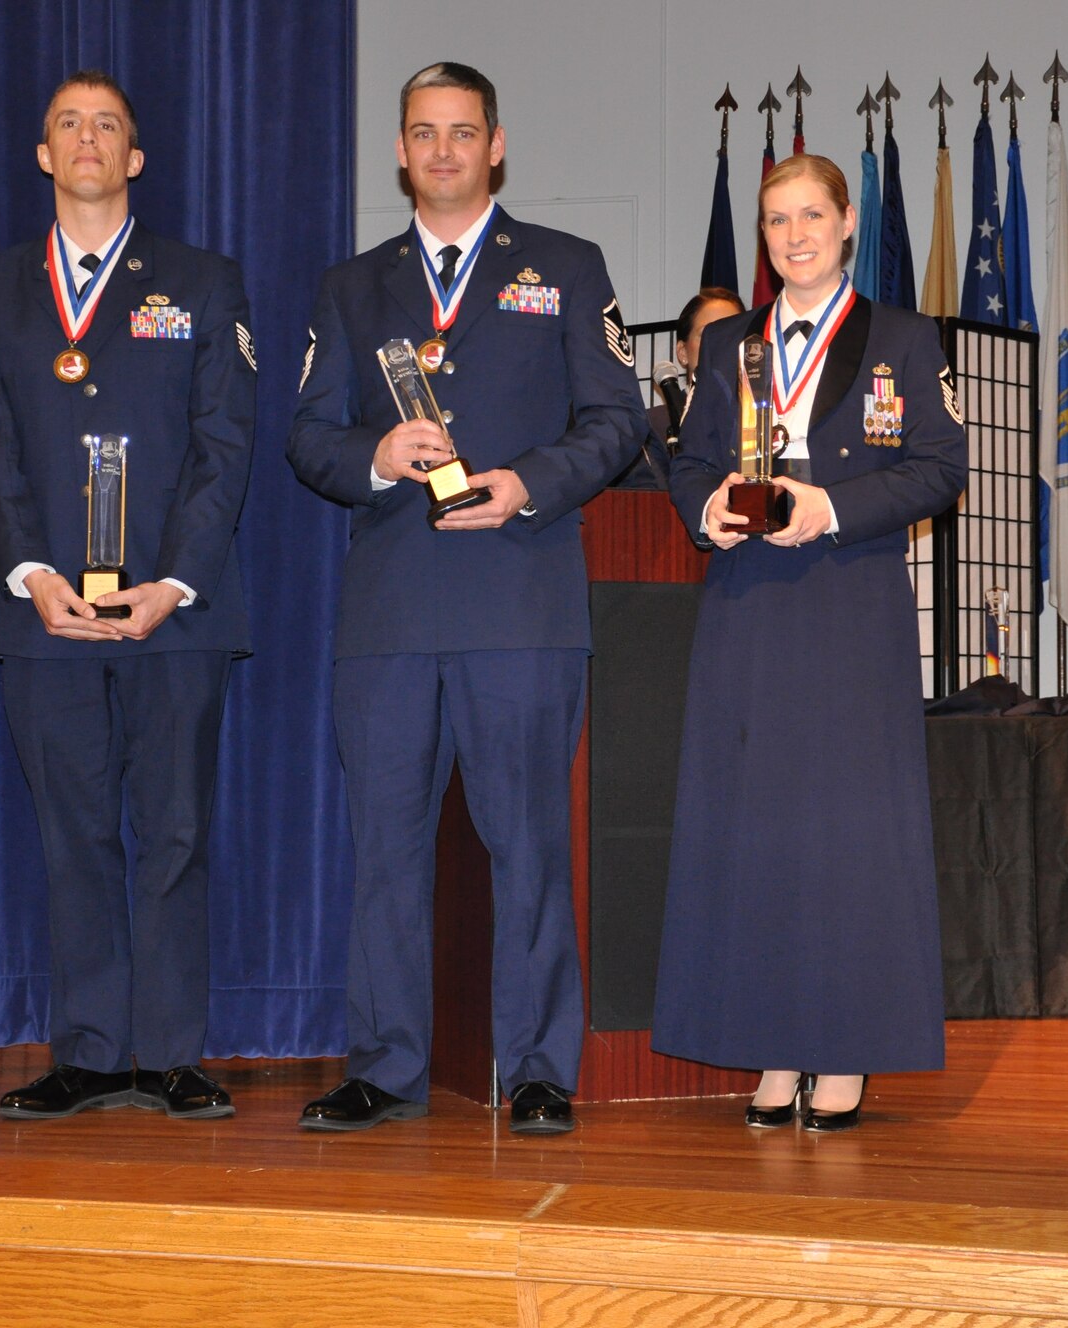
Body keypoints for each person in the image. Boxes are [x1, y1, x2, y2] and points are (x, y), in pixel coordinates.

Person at [288, 61, 646, 1135]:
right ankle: (384, 1065)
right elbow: (306, 437)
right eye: (421, 133)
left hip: (521, 608)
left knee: (529, 843)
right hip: (391, 615)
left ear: (495, 145)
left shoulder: (567, 268)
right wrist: (377, 451)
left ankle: (538, 1064)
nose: (441, 149)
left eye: (461, 132)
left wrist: (529, 481)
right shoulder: (351, 286)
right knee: (385, 852)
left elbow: (616, 417)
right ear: (399, 151)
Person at [0, 70, 256, 1121]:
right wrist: (31, 573)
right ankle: (88, 1049)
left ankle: (170, 1050)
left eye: (108, 126)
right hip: (41, 614)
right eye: (68, 125)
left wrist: (174, 580)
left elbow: (226, 445)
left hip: (176, 613)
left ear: (135, 157)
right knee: (70, 830)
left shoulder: (204, 282)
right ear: (43, 154)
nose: (88, 139)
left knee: (173, 829)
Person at [650, 153, 967, 1132]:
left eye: (809, 216)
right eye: (775, 219)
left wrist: (830, 505)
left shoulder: (905, 340)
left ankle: (841, 1052)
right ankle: (772, 1044)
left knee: (844, 841)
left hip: (846, 611)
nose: (792, 235)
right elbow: (690, 461)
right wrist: (710, 506)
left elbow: (938, 469)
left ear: (843, 226)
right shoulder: (726, 347)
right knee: (756, 835)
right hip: (746, 610)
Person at [619, 286, 746, 491]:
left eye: (733, 333)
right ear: (682, 352)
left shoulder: (763, 420)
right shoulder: (654, 425)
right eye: (709, 333)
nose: (723, 344)